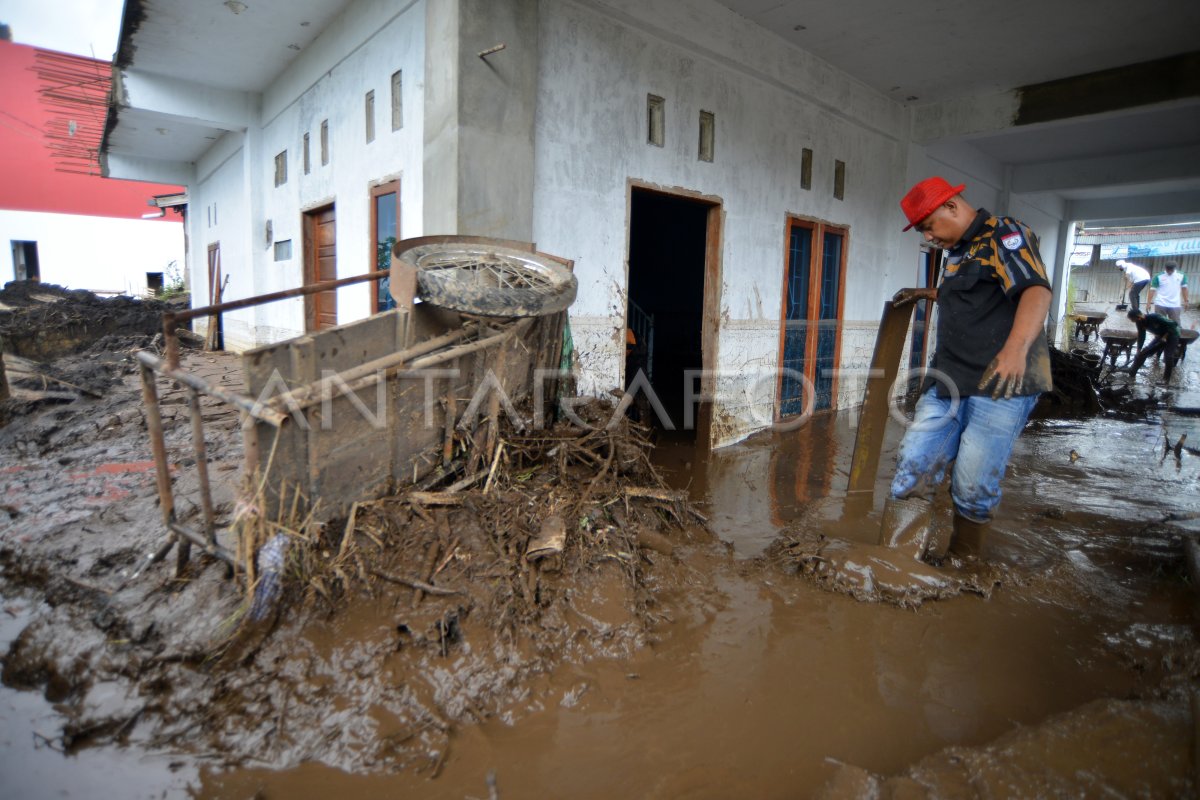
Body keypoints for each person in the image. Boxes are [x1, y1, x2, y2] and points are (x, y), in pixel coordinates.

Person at [883, 177, 1053, 561]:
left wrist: (1015, 349)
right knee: (914, 461)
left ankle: (964, 564)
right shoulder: (958, 250)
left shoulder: (1005, 234)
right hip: (949, 380)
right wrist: (927, 293)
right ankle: (896, 561)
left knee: (973, 480)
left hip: (1001, 383)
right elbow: (976, 294)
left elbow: (1035, 290)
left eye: (929, 226)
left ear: (953, 207)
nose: (928, 237)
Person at [1125, 309, 1181, 383]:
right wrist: (1138, 349)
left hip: (1173, 334)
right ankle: (1132, 371)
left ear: (1138, 316)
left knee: (1168, 356)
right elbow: (1141, 336)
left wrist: (1165, 337)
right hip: (1160, 335)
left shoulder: (1155, 317)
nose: (1133, 321)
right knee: (1143, 353)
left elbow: (1174, 324)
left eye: (1133, 319)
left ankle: (1166, 380)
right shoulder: (1139, 322)